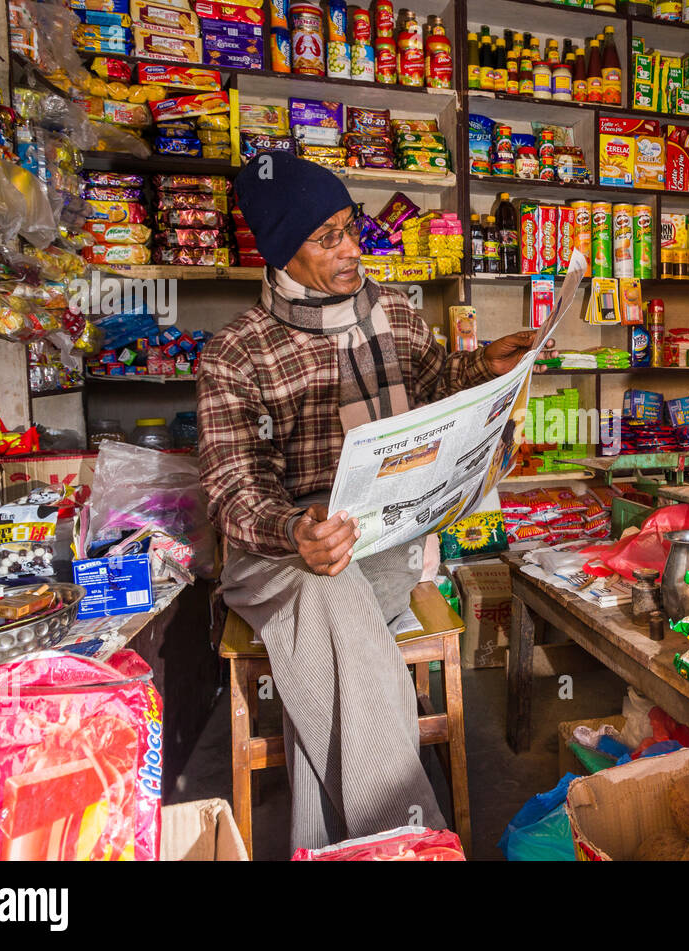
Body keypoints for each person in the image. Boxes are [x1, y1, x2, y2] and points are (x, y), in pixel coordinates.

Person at [198, 153, 547, 852]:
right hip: (279, 556)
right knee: (321, 592)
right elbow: (233, 490)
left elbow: (436, 378)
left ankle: (342, 848)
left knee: (322, 644)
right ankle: (413, 835)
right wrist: (295, 528)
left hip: (377, 542)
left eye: (350, 227)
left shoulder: (392, 312)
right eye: (326, 237)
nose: (352, 248)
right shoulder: (236, 351)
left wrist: (486, 367)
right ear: (280, 251)